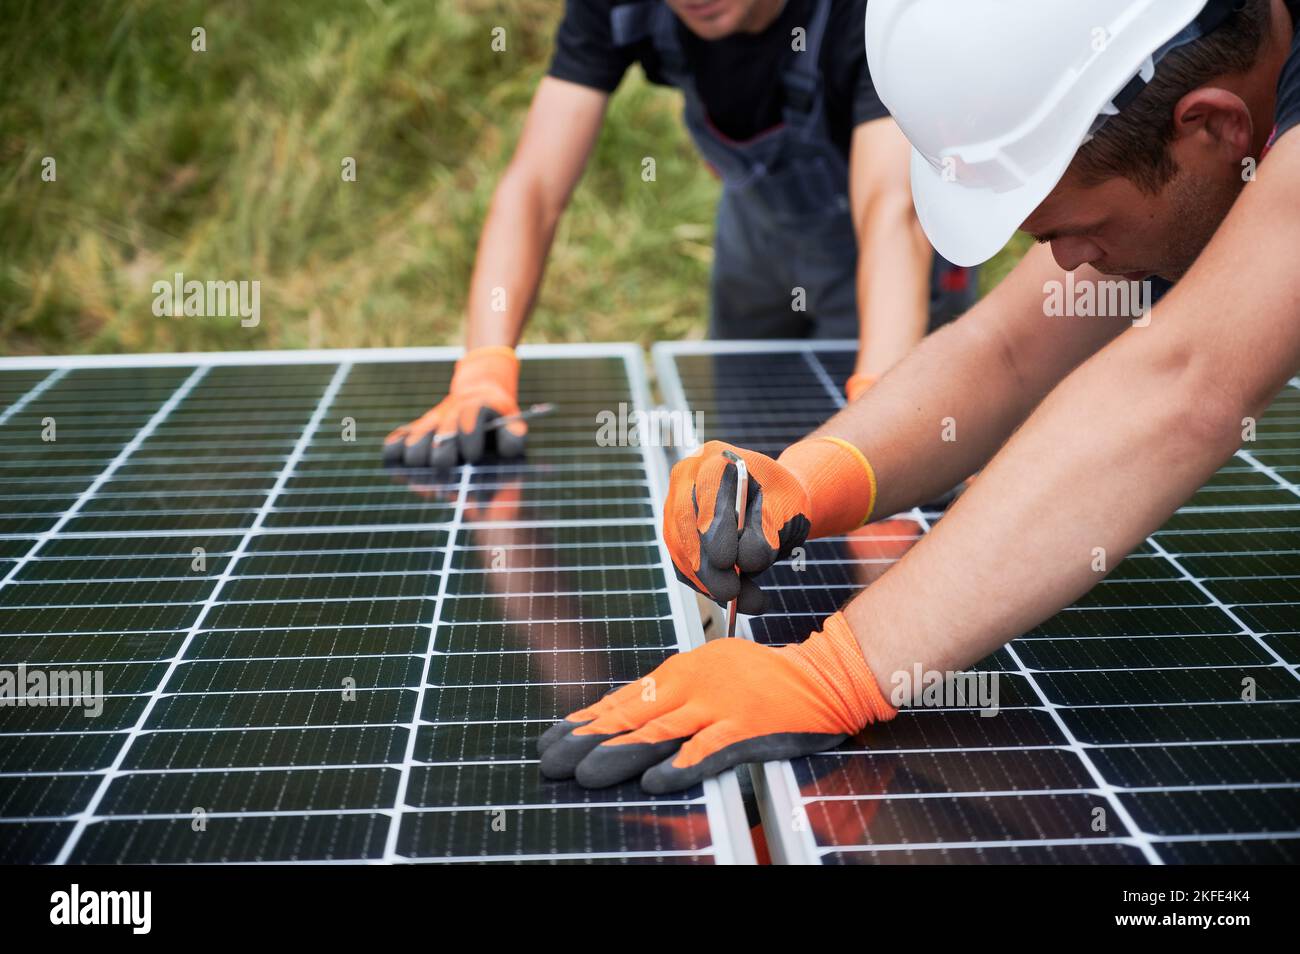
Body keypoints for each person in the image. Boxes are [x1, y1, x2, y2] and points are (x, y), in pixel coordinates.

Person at [539, 0, 1300, 794]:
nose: (1070, 266)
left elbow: (1185, 383)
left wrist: (838, 672)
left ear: (1213, 128)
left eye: (1077, 228)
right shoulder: (1202, 124)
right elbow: (1007, 349)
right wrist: (806, 482)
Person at [383, 0, 974, 469]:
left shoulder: (872, 16)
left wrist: (879, 405)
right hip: (756, 237)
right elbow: (534, 186)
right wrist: (485, 366)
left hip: (889, 252)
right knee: (749, 458)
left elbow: (892, 210)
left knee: (876, 473)